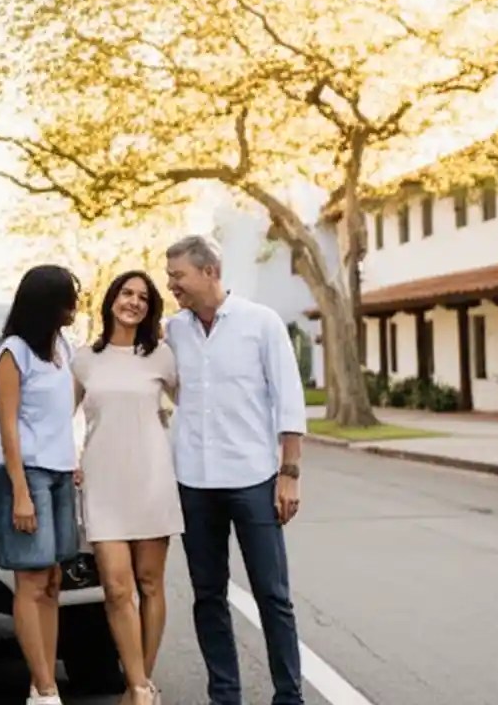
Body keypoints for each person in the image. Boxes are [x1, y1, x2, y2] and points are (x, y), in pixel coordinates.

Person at [162, 235, 307, 705]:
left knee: (273, 595)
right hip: (194, 484)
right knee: (208, 597)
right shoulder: (173, 331)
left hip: (253, 479)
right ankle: (225, 695)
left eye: (178, 275)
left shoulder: (260, 323)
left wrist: (289, 472)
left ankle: (289, 695)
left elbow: (288, 398)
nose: (172, 284)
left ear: (209, 272)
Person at [71, 270, 180, 705]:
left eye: (142, 297)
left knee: (150, 584)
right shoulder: (84, 359)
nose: (133, 301)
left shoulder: (162, 356)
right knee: (117, 588)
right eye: (126, 293)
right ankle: (137, 684)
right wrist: (68, 461)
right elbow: (61, 419)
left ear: (150, 308)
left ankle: (140, 685)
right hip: (103, 483)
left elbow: (193, 409)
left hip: (152, 479)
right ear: (111, 299)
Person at [0, 263, 81, 705]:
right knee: (31, 581)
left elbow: (69, 409)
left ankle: (42, 684)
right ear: (47, 303)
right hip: (26, 474)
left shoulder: (62, 346)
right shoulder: (14, 351)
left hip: (61, 473)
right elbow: (8, 426)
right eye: (67, 299)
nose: (74, 307)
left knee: (54, 580)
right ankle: (44, 689)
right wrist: (21, 492)